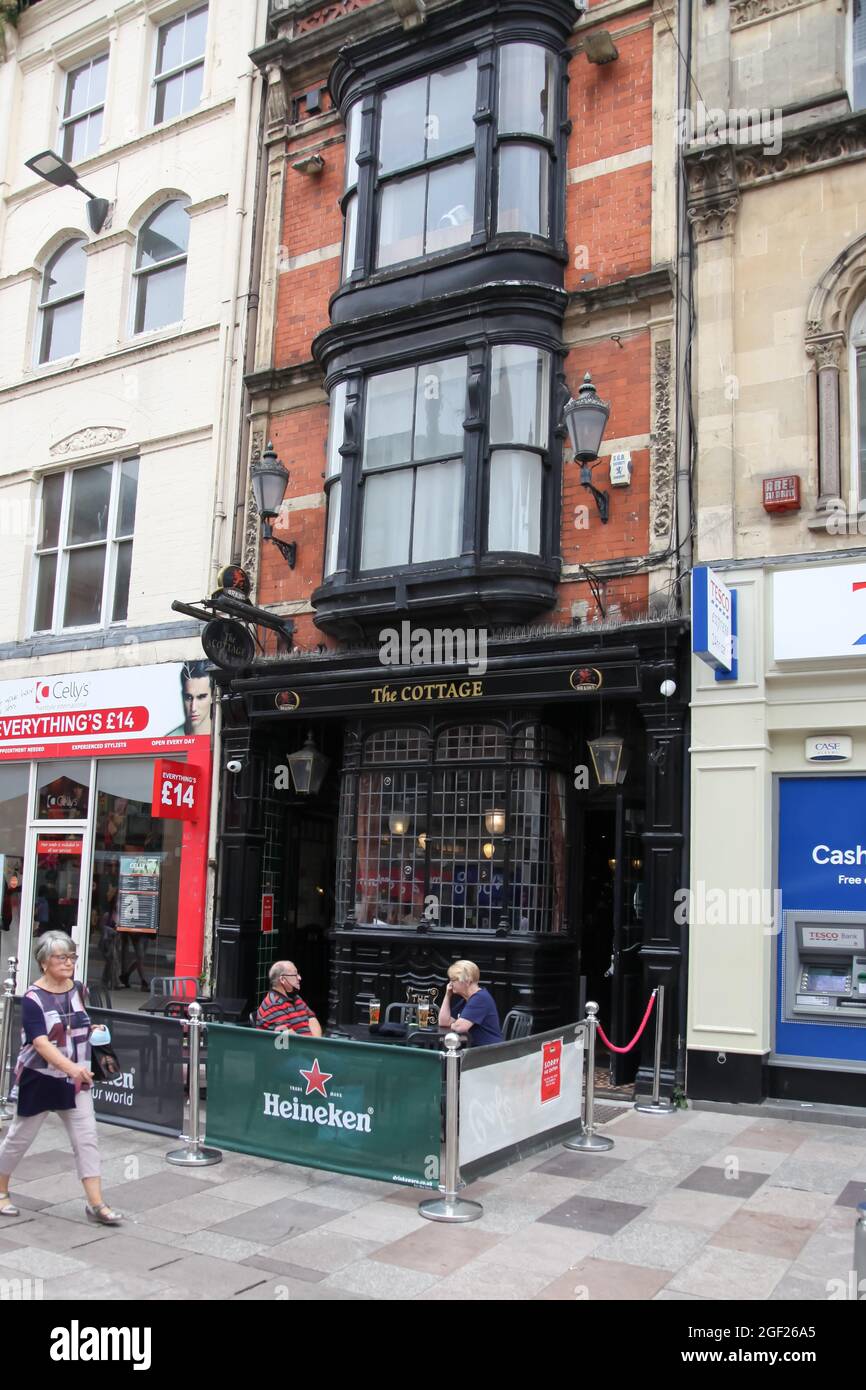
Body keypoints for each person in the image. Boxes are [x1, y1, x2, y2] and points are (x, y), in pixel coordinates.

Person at [0, 931, 121, 1225]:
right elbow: (40, 1043)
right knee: (19, 1138)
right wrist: (72, 1068)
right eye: (61, 957)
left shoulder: (78, 989)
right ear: (44, 962)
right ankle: (1, 1189)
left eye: (72, 957)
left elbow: (78, 1023)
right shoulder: (32, 998)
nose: (69, 963)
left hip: (76, 1080)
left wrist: (93, 1035)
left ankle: (96, 1204)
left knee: (86, 1139)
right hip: (40, 1078)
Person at [438, 959, 503, 1046]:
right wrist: (447, 995)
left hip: (488, 1053)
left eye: (453, 980)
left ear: (467, 981)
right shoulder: (466, 1000)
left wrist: (454, 1024)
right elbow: (444, 1023)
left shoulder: (480, 998)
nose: (450, 984)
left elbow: (460, 1028)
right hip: (474, 1051)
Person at [256, 961, 323, 1036]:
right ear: (282, 980)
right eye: (295, 975)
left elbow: (311, 1018)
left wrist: (316, 1043)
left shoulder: (295, 997)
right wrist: (313, 1045)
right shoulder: (273, 1005)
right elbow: (291, 1039)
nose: (299, 978)